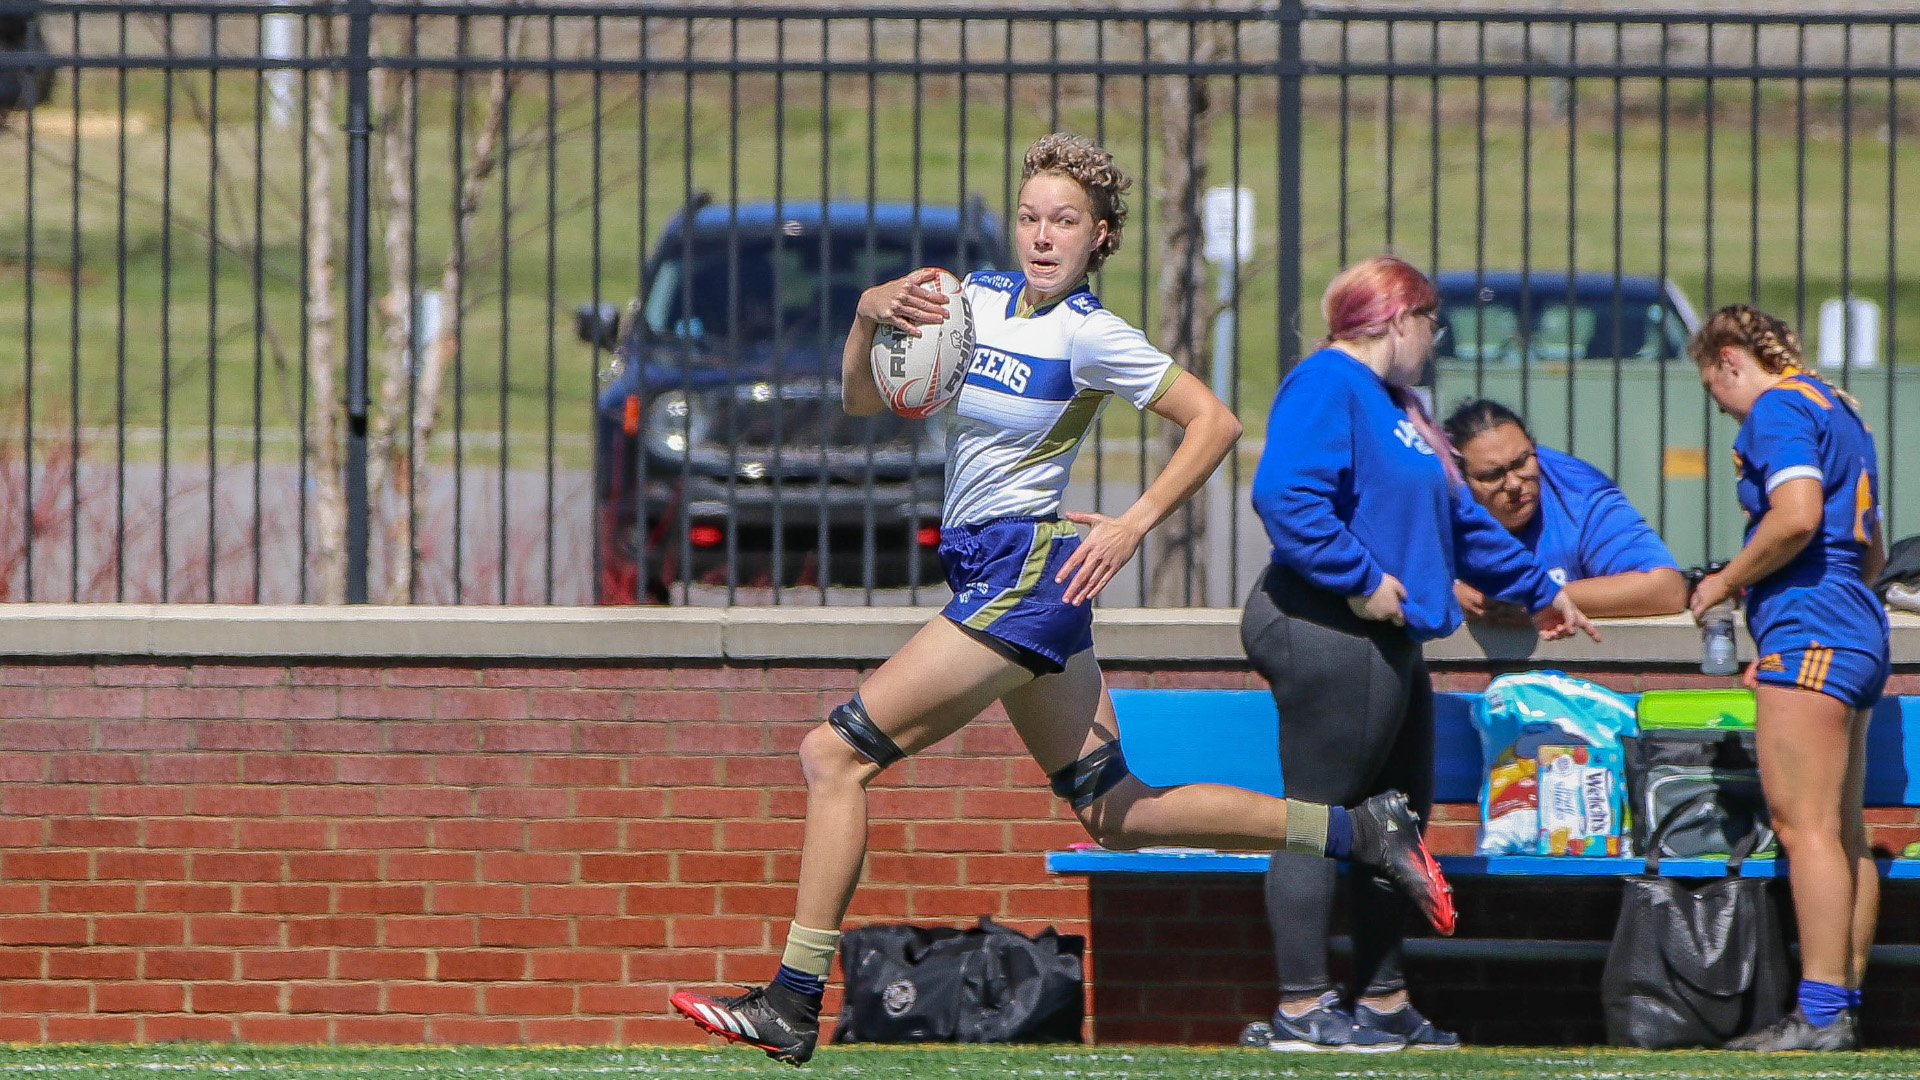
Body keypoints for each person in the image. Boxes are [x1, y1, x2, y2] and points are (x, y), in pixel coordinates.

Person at [669, 137, 1457, 1065]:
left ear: (1100, 237)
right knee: (1119, 811)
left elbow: (1217, 423)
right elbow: (862, 402)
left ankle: (793, 1001)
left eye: (1066, 222)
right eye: (1032, 217)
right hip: (986, 571)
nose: (1043, 236)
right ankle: (1358, 828)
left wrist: (1132, 524)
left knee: (831, 754)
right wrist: (866, 315)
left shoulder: (1091, 334)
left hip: (1026, 575)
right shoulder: (968, 302)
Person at [1242, 255, 1600, 1052]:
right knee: (1317, 818)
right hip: (1328, 630)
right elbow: (1285, 496)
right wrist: (1360, 578)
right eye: (1430, 323)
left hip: (1388, 641)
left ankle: (1381, 1000)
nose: (1433, 340)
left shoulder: (1399, 404)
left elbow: (1460, 522)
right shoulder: (1327, 384)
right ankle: (1302, 1010)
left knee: (1394, 824)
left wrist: (1539, 584)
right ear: (1397, 316)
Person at [1686, 305, 1888, 1052]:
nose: (1725, 415)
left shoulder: (1774, 408)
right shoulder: (1837, 404)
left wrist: (1727, 583)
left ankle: (1821, 1013)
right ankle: (1842, 1003)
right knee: (1842, 833)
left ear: (1731, 360)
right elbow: (1865, 547)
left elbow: (1797, 515)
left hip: (1814, 627)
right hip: (1853, 623)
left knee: (1803, 831)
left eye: (1717, 395)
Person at [1441, 398, 1688, 624]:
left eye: (1521, 462)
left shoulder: (1578, 493)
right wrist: (1445, 591)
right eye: (1493, 475)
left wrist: (1541, 598)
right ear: (1460, 480)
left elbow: (1667, 589)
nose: (1515, 484)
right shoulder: (1436, 494)